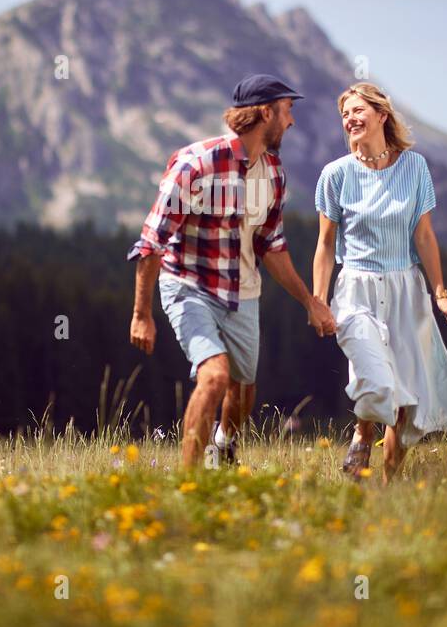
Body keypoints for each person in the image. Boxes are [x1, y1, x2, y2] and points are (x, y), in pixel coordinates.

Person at [129, 74, 337, 468]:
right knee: (214, 376)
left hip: (244, 293)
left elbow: (271, 246)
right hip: (189, 285)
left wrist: (310, 301)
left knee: (242, 392)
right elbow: (151, 242)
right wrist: (142, 314)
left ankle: (221, 448)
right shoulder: (196, 164)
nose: (291, 121)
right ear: (265, 112)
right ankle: (190, 483)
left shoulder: (274, 173)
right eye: (287, 111)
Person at [312, 82, 447, 482]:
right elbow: (326, 245)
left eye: (357, 110)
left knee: (403, 402)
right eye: (344, 114)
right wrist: (318, 300)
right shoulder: (335, 175)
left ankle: (384, 487)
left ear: (382, 115)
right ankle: (363, 432)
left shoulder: (415, 168)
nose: (349, 119)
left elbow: (424, 237)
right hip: (356, 290)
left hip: (406, 291)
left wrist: (441, 294)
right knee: (376, 380)